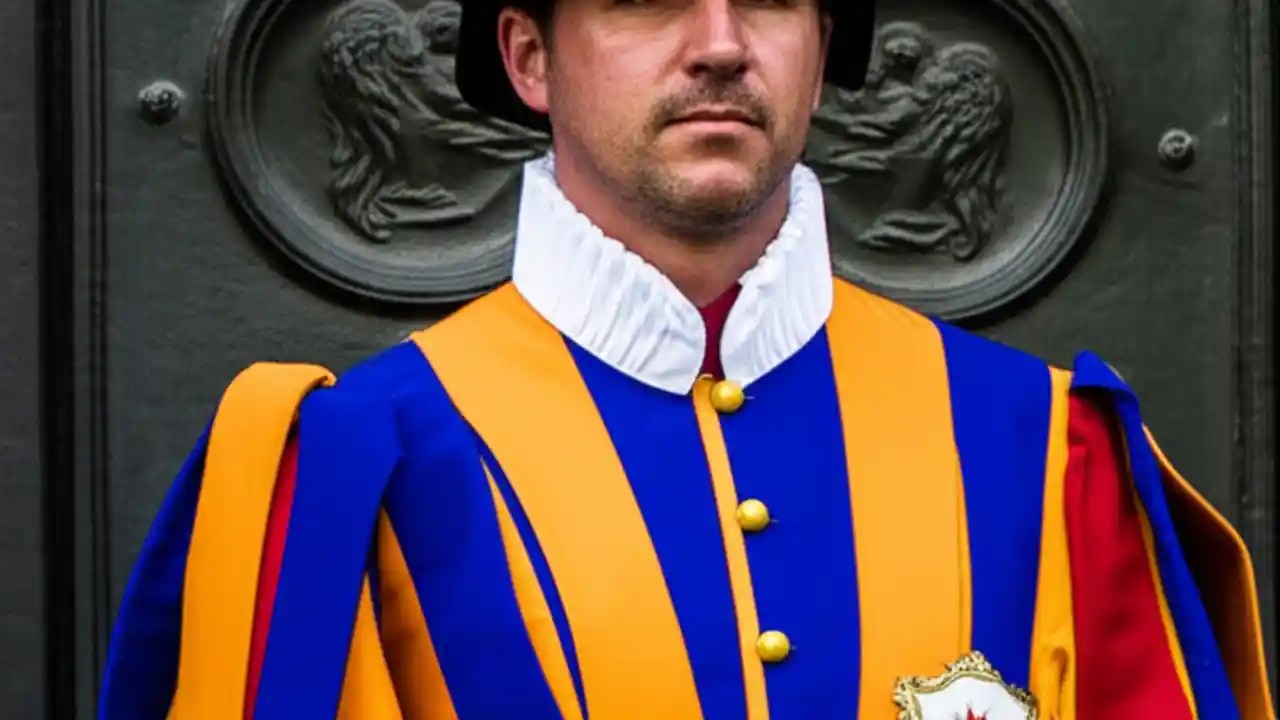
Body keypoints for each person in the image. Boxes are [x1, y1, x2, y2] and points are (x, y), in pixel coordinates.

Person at [100, 0, 1272, 718]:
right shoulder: (360, 467)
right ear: (527, 55)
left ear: (820, 50)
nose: (717, 45)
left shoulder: (1046, 451)